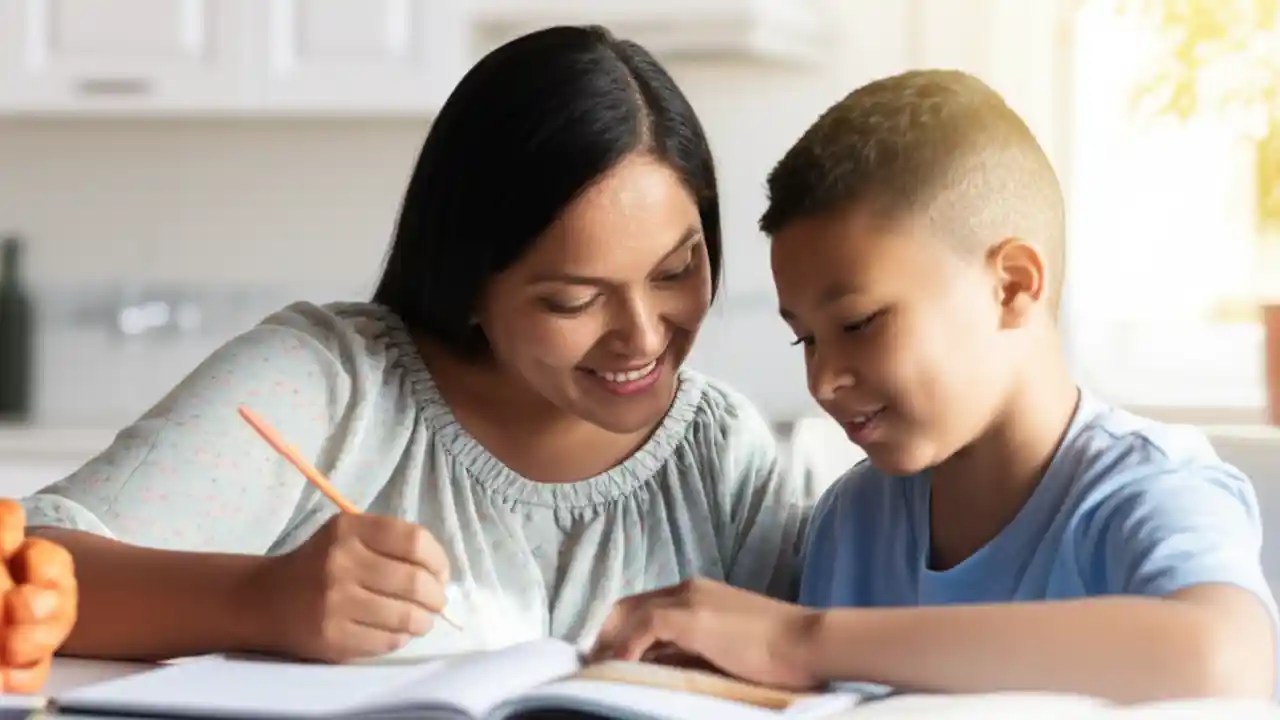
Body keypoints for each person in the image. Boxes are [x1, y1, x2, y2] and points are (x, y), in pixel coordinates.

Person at [21, 25, 810, 664]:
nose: (643, 335)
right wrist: (262, 601)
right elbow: (30, 566)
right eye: (574, 299)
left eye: (677, 269)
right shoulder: (327, 388)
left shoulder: (722, 454)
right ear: (470, 282)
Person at [589, 69, 1279, 703]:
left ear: (1011, 286)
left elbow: (1226, 659)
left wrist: (798, 638)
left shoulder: (1146, 491)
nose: (824, 380)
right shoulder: (850, 522)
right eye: (807, 339)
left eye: (860, 322)